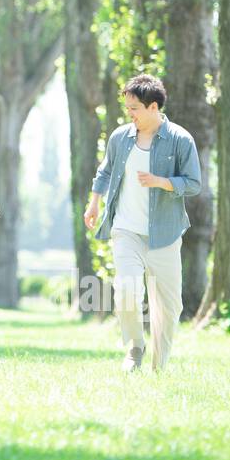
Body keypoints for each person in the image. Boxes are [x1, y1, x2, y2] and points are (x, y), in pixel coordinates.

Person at [84, 72, 202, 372]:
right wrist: (94, 203)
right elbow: (106, 171)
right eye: (128, 108)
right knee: (126, 290)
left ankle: (159, 365)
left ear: (153, 107)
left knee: (169, 305)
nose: (130, 114)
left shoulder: (180, 139)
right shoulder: (120, 138)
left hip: (165, 232)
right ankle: (135, 347)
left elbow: (194, 183)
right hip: (126, 229)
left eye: (135, 108)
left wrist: (162, 182)